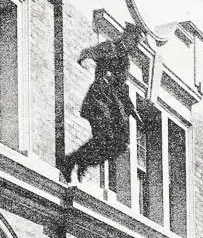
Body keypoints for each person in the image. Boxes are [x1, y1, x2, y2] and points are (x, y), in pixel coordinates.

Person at [60, 22, 144, 184]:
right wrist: (86, 61)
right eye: (136, 42)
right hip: (99, 97)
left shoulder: (126, 60)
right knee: (105, 136)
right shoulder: (110, 47)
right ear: (128, 37)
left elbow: (121, 87)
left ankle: (82, 161)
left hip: (114, 102)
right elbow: (88, 52)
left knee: (120, 143)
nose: (136, 47)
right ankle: (71, 161)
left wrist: (132, 110)